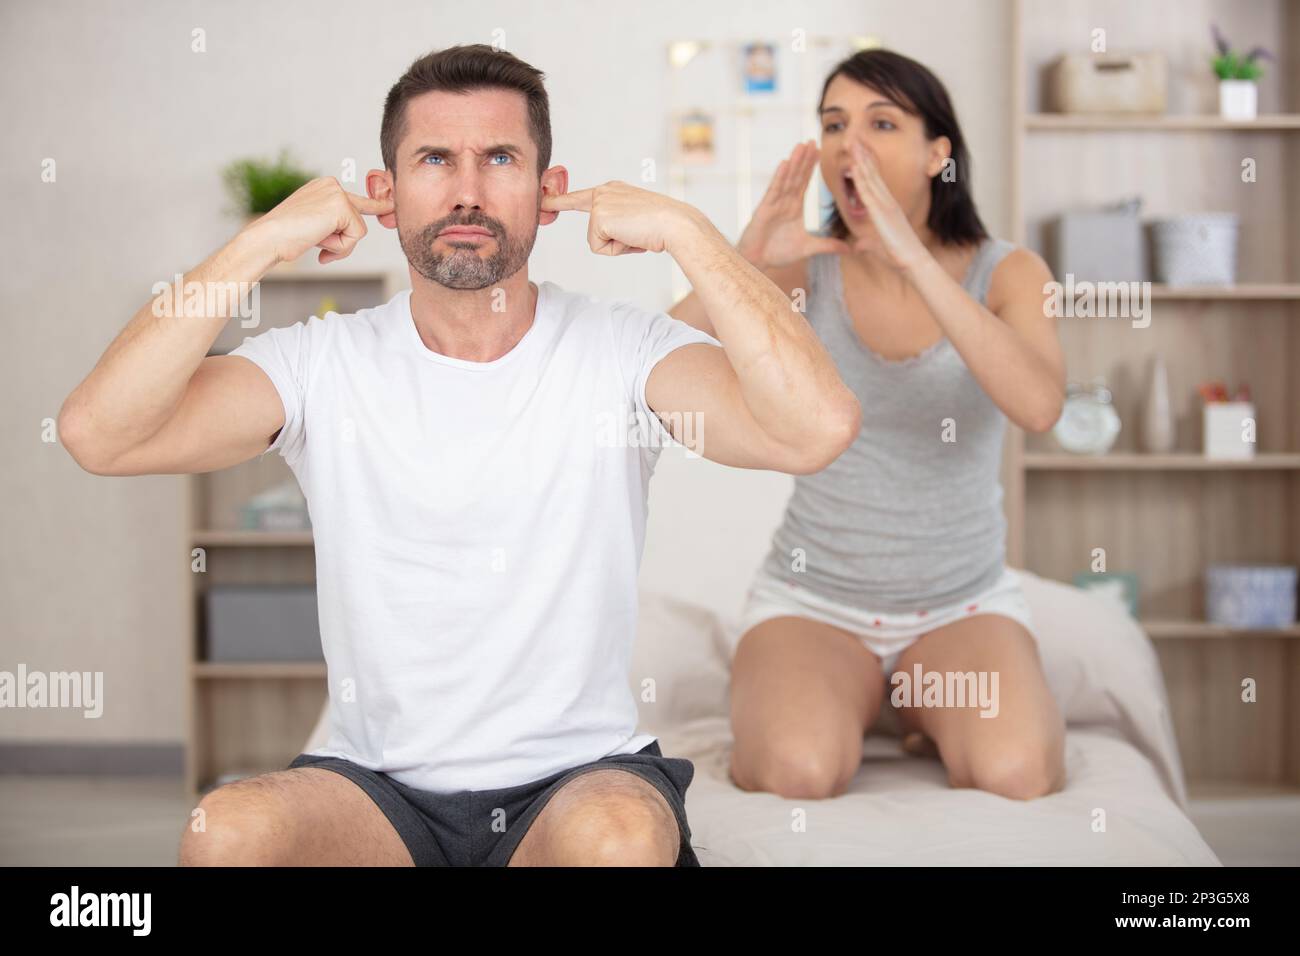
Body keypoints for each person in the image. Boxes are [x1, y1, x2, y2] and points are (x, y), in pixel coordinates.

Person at [57, 44, 860, 866]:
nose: (468, 191)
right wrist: (260, 243)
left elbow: (816, 427)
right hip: (377, 792)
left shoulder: (625, 351)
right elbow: (98, 433)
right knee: (223, 832)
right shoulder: (316, 363)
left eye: (500, 158)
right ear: (386, 190)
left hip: (576, 784)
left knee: (617, 840)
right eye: (435, 158)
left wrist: (693, 235)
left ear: (549, 194)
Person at [669, 49, 1068, 802]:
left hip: (960, 603)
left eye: (882, 122)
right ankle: (859, 696)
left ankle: (908, 698)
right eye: (833, 124)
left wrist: (913, 260)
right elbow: (657, 372)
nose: (850, 144)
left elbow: (1039, 406)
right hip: (816, 603)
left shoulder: (1010, 274)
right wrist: (743, 260)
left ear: (937, 154)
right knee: (797, 771)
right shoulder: (804, 268)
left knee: (1016, 772)